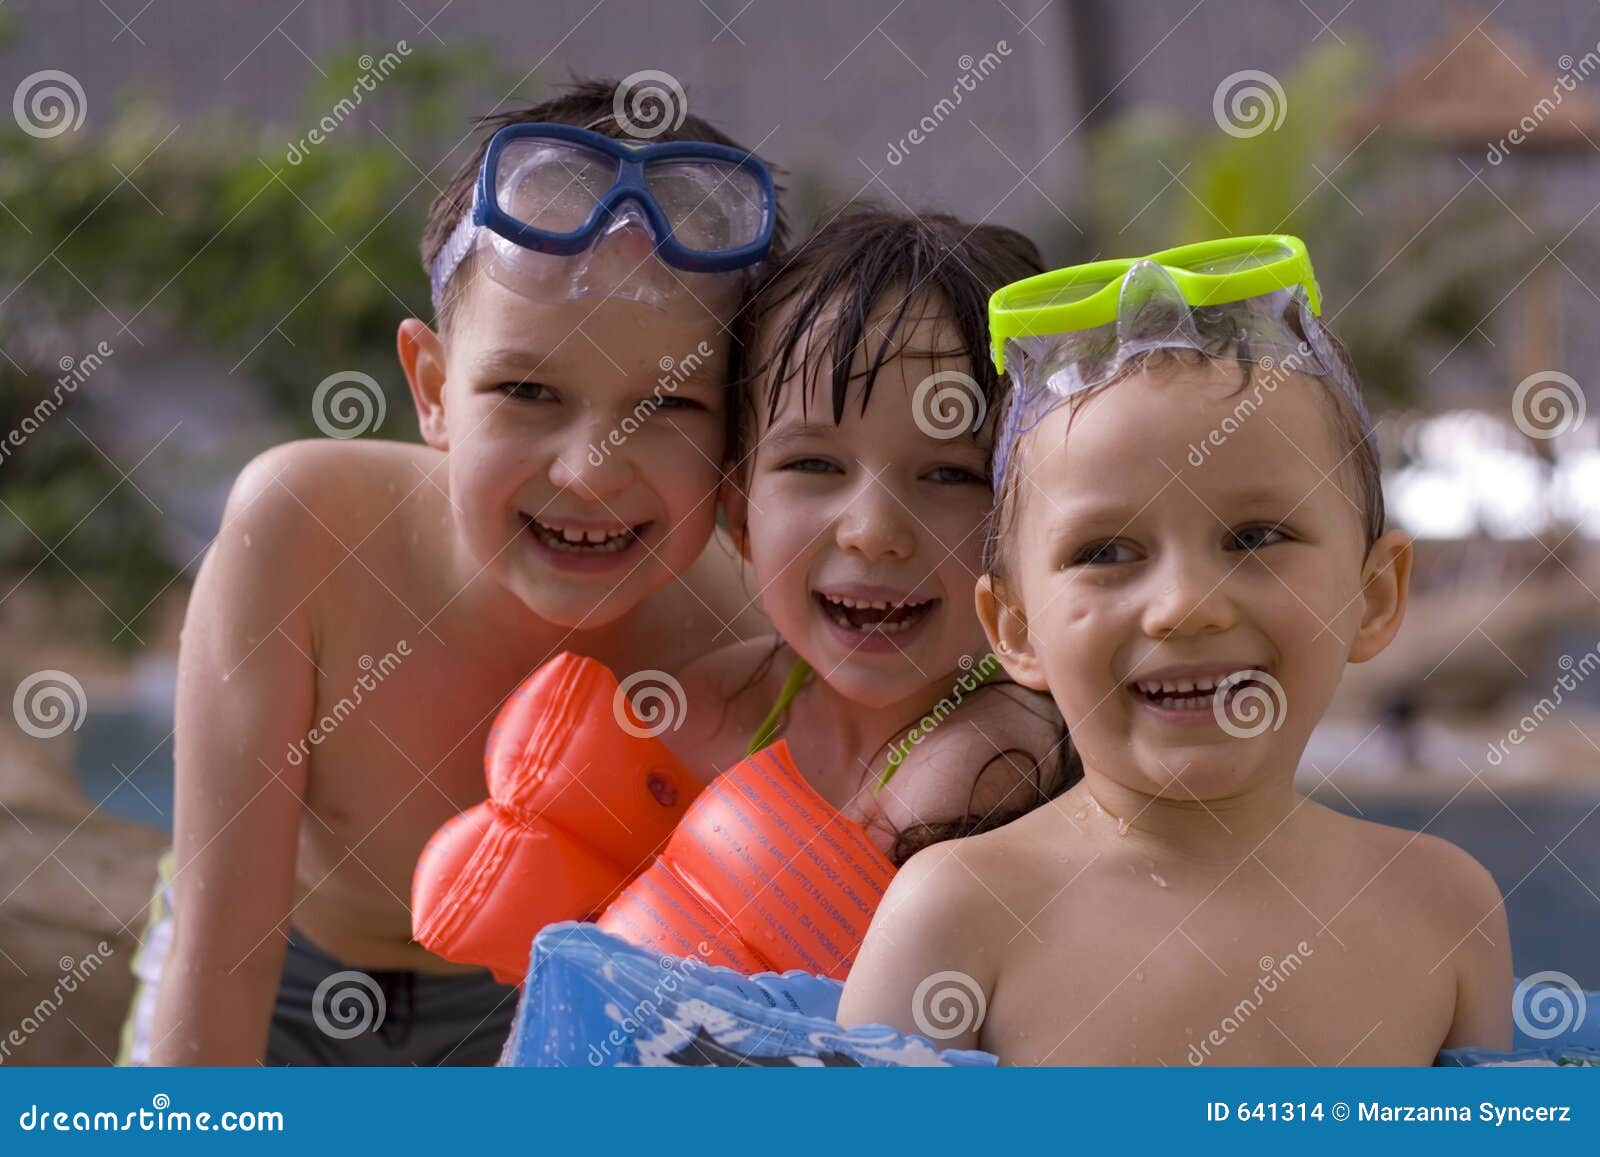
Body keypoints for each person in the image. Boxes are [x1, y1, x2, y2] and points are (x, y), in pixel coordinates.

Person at [126, 78, 785, 1066]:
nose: (590, 470)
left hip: (531, 1020)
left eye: (668, 407)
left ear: (739, 432)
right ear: (433, 389)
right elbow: (222, 962)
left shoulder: (749, 635)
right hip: (277, 978)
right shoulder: (306, 534)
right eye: (527, 390)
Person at [838, 236, 1513, 1065]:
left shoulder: (1444, 911)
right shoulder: (959, 916)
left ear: (1373, 595)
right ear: (1015, 627)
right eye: (1106, 552)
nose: (1186, 606)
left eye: (1255, 537)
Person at [412, 205, 1073, 985]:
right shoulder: (705, 712)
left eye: (951, 474)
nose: (872, 531)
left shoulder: (1012, 753)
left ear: (1035, 522)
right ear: (738, 510)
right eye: (814, 466)